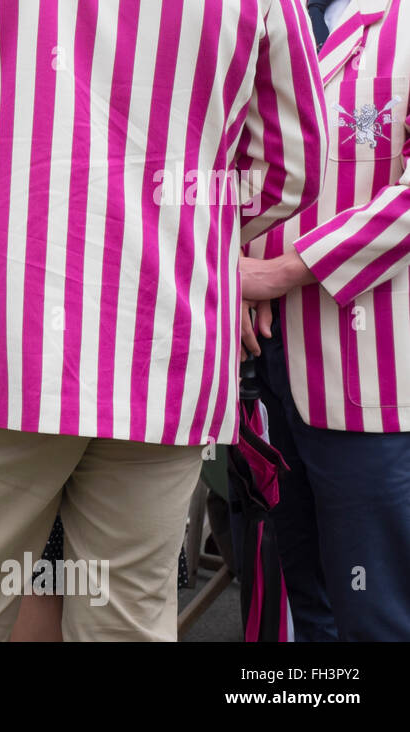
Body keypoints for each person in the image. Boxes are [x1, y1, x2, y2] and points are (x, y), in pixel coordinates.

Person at [0, 0, 327, 641]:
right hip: (163, 344)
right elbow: (291, 168)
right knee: (128, 621)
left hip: (5, 339)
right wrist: (179, 233)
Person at [241, 0, 410, 641]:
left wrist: (281, 270)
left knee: (375, 603)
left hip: (368, 358)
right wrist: (232, 264)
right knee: (297, 593)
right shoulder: (250, 15)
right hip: (252, 352)